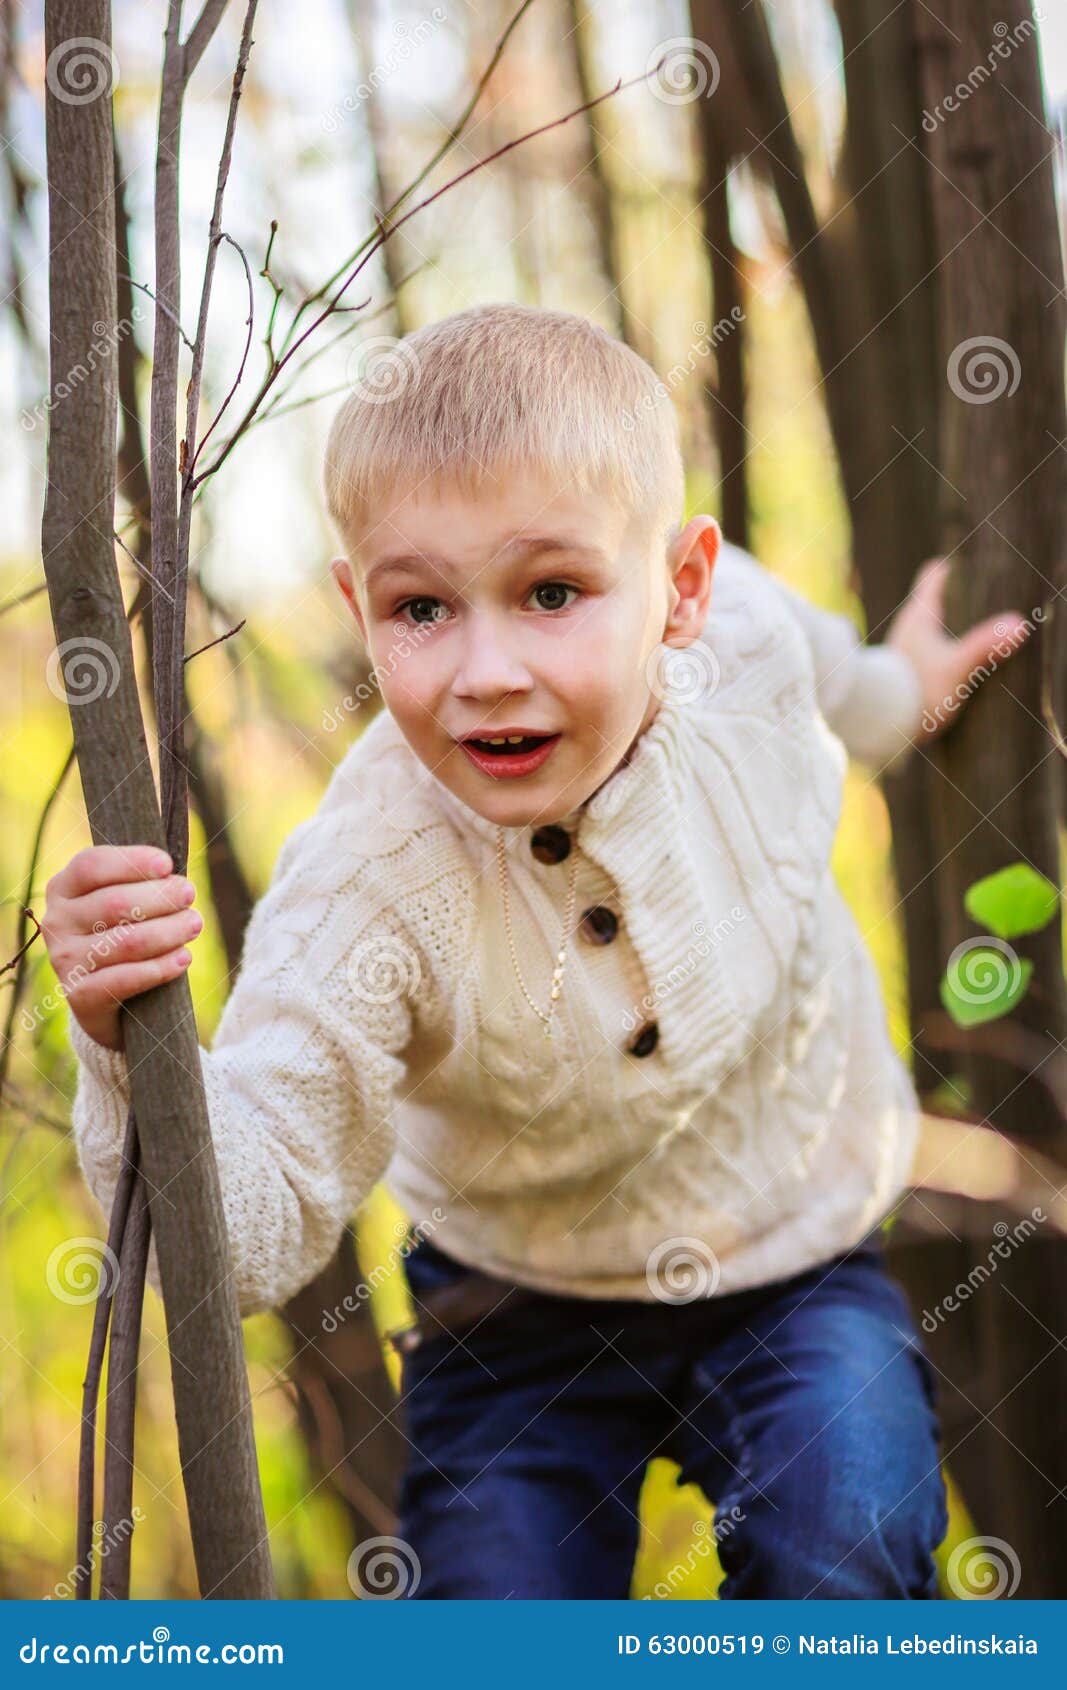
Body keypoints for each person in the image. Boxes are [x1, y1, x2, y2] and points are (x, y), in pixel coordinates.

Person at [43, 303, 1031, 1599]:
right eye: (422, 609)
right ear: (359, 604)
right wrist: (122, 1045)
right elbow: (239, 1242)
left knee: (844, 1546)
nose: (486, 669)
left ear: (681, 589)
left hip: (796, 1250)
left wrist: (913, 684)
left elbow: (851, 688)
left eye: (552, 592)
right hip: (513, 1311)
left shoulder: (746, 644)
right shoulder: (372, 873)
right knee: (494, 1626)